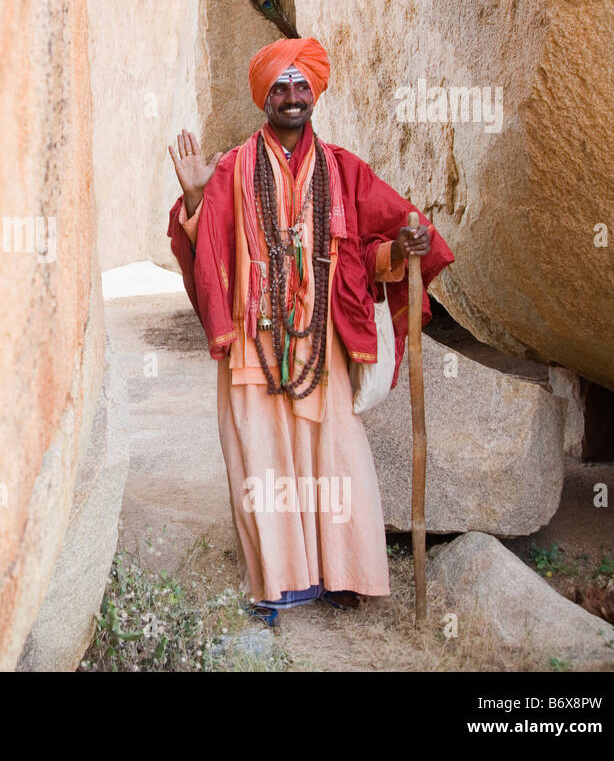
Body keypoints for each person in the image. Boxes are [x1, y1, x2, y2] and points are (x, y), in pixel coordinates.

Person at [166, 36, 454, 627]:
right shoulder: (232, 168)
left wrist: (406, 244)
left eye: (302, 86)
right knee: (261, 461)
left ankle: (340, 574)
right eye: (281, 87)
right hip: (255, 342)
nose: (292, 97)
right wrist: (195, 195)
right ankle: (275, 583)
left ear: (314, 93)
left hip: (322, 343)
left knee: (337, 459)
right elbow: (209, 247)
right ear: (264, 97)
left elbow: (383, 240)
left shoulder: (345, 169)